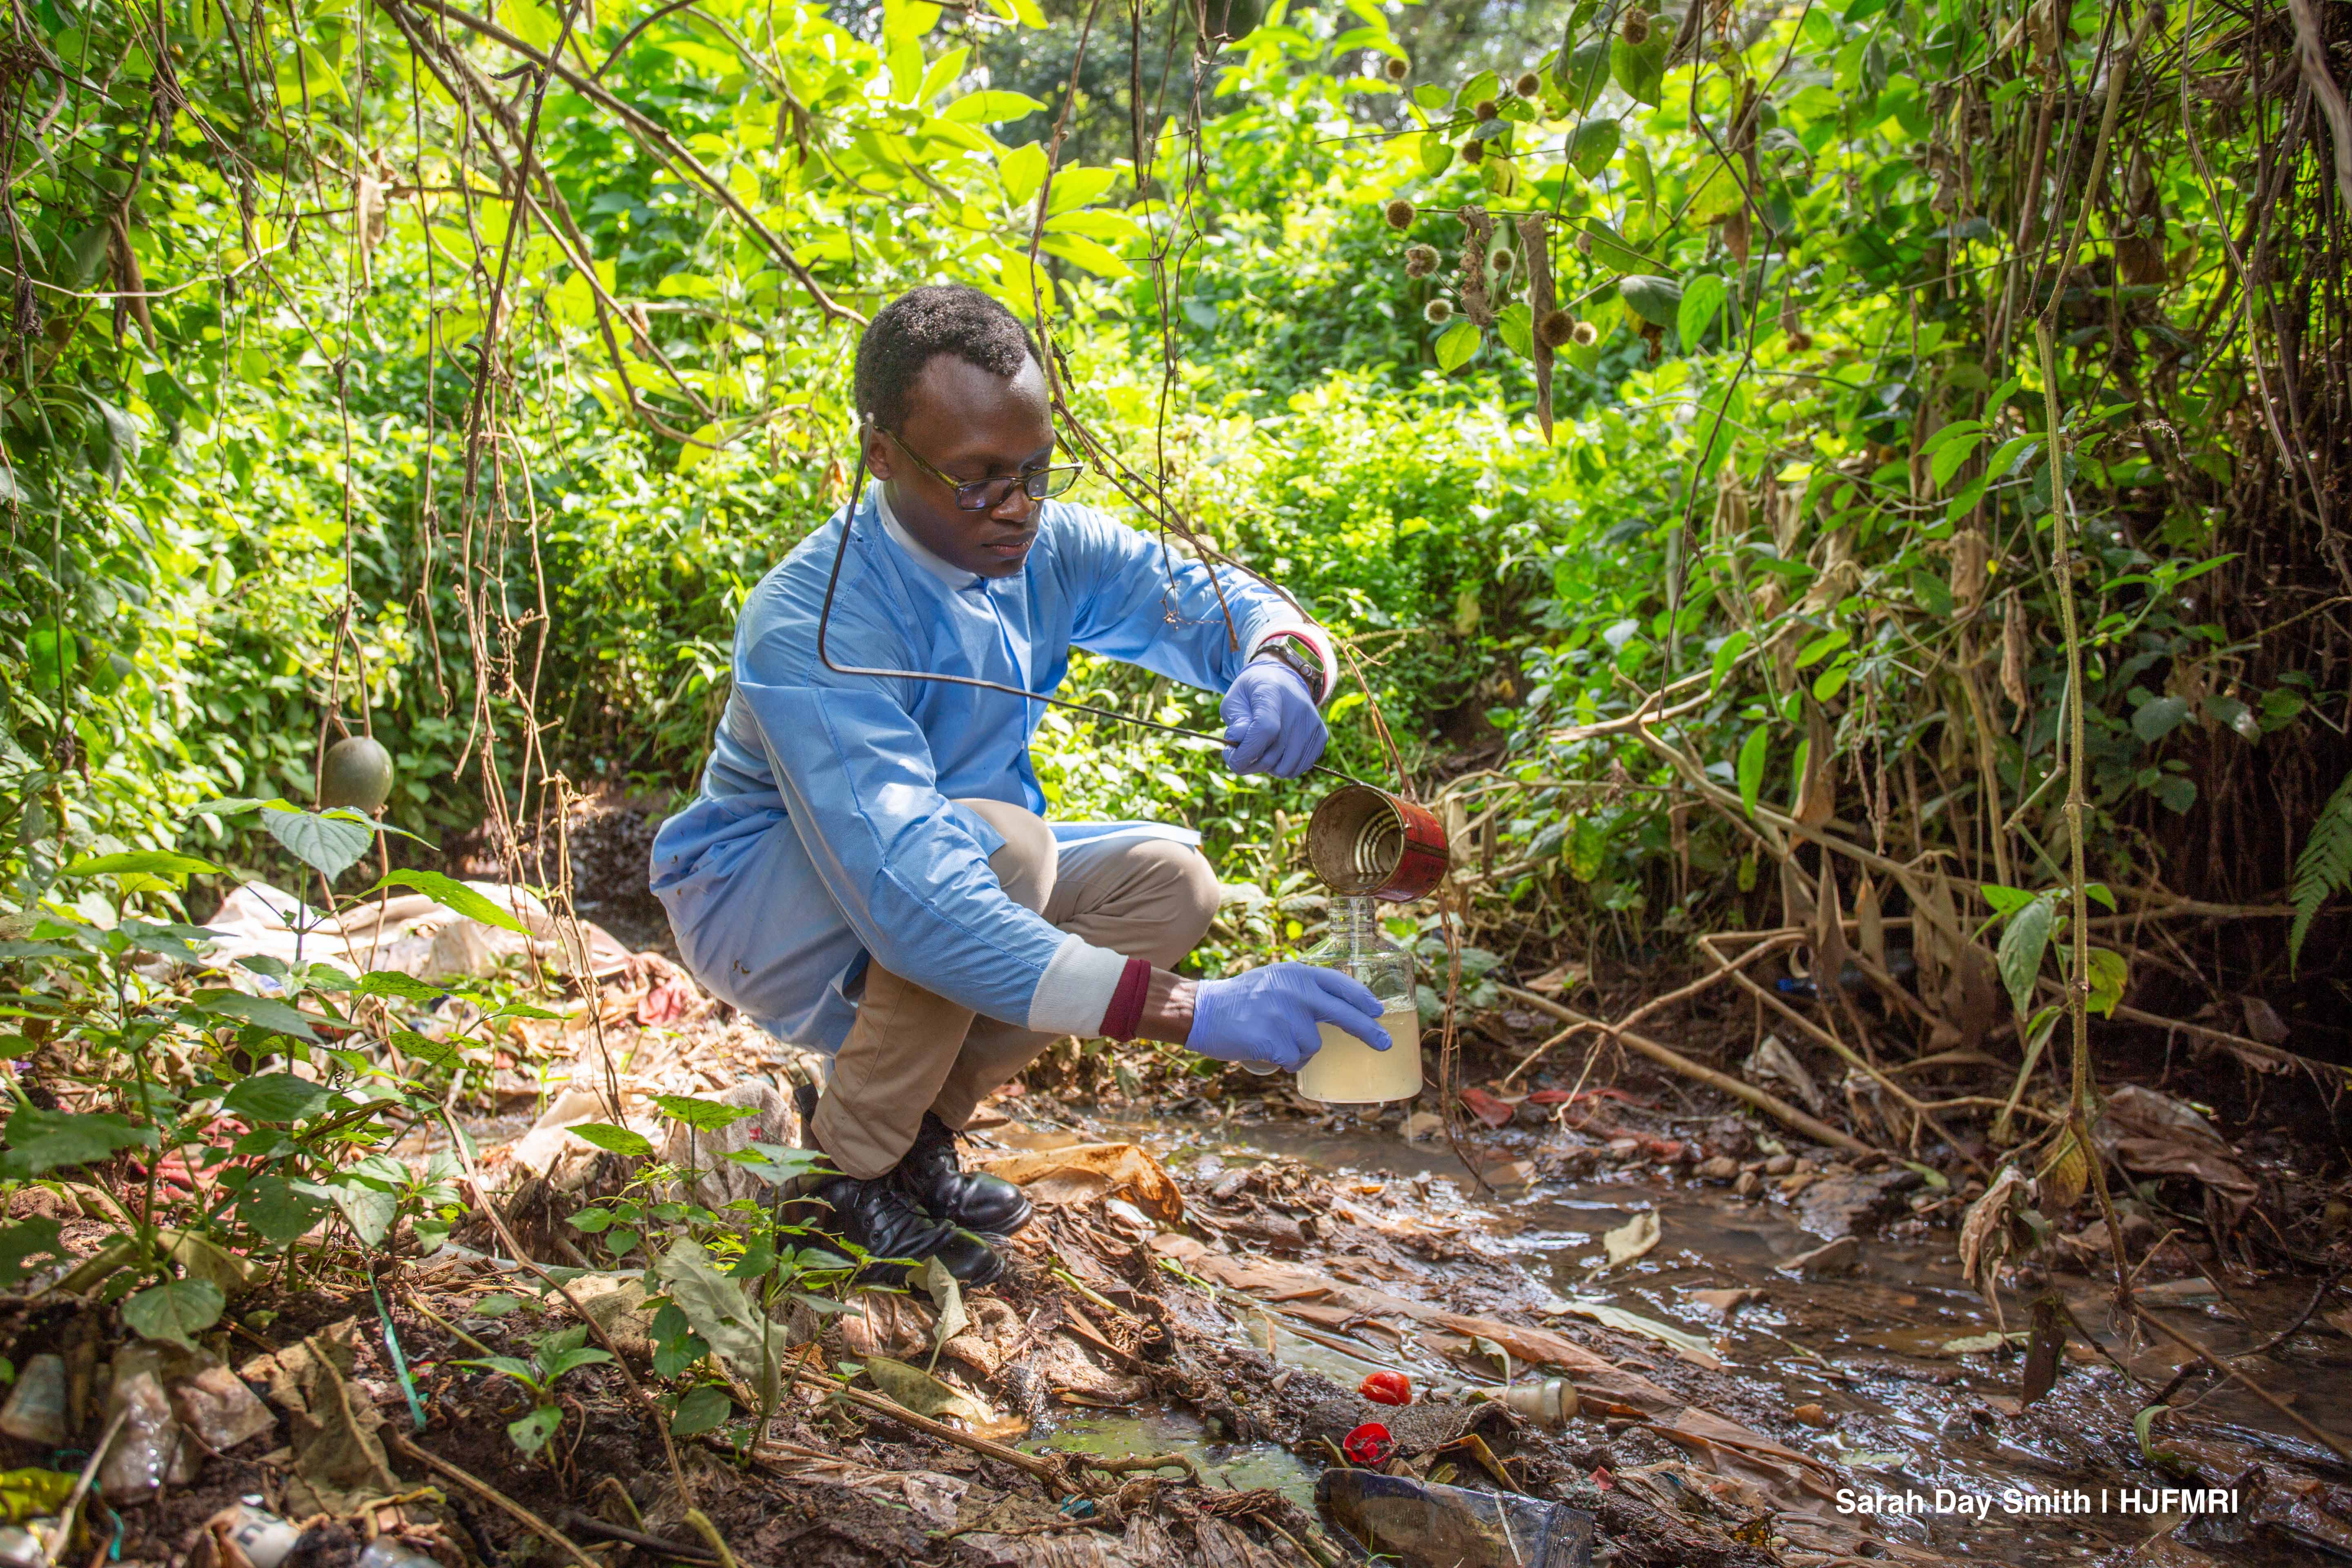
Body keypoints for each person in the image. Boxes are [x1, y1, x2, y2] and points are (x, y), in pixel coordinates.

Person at [650, 284, 1391, 1283]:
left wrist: (1281, 662)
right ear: (880, 454)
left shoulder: (1048, 547)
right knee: (1005, 853)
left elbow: (1214, 601)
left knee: (1171, 881)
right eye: (979, 480)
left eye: (1037, 471)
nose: (1019, 508)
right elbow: (917, 896)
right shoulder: (812, 619)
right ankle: (841, 1180)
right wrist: (1196, 1012)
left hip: (968, 869)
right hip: (763, 902)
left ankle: (914, 1140)